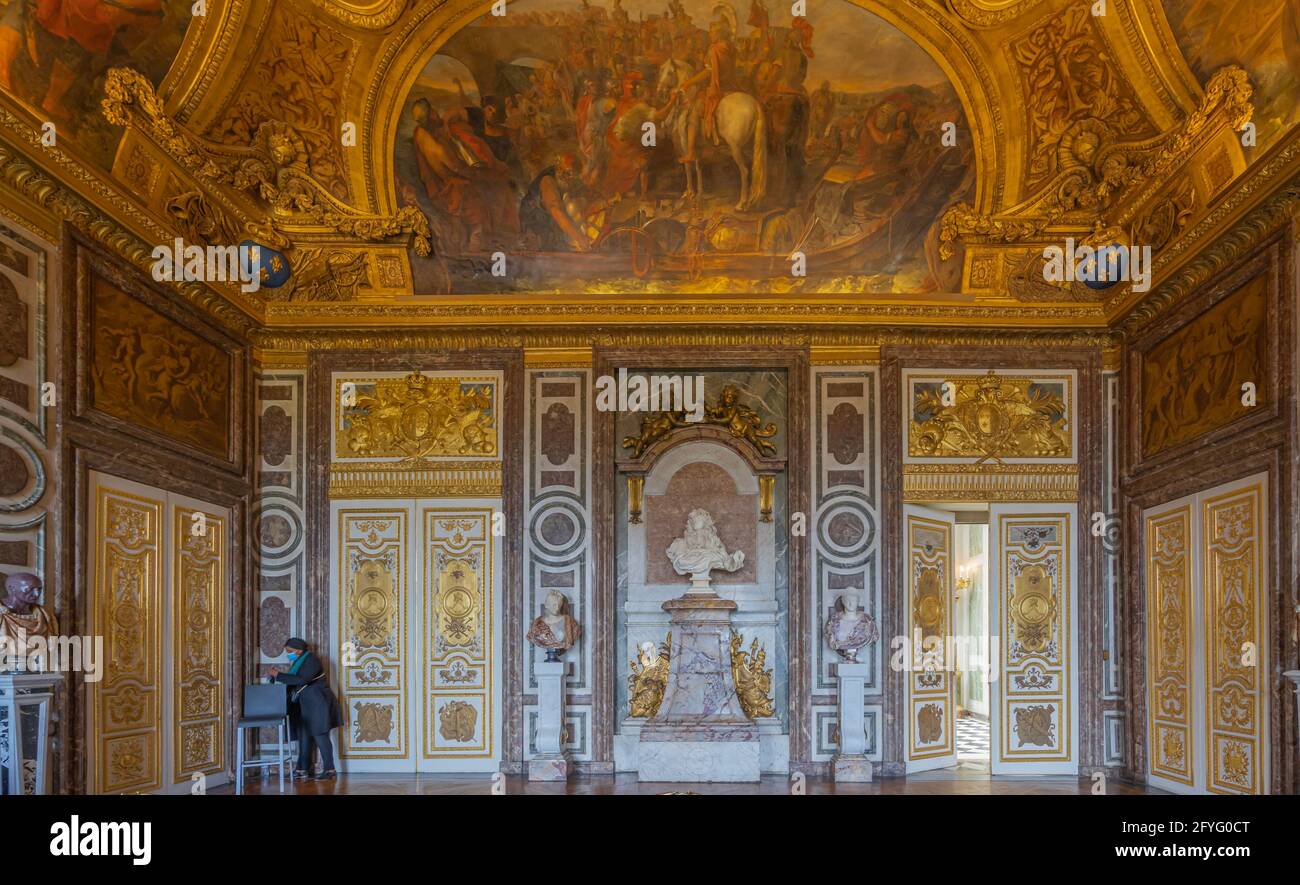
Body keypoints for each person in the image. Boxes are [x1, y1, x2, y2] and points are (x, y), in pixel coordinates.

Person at [268, 638, 342, 781]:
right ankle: (302, 769)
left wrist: (278, 675)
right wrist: (277, 677)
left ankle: (330, 769)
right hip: (305, 705)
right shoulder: (299, 661)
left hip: (317, 703)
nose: (288, 654)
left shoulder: (311, 660)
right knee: (304, 737)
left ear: (298, 650)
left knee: (321, 736)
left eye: (289, 651)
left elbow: (302, 680)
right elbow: (295, 679)